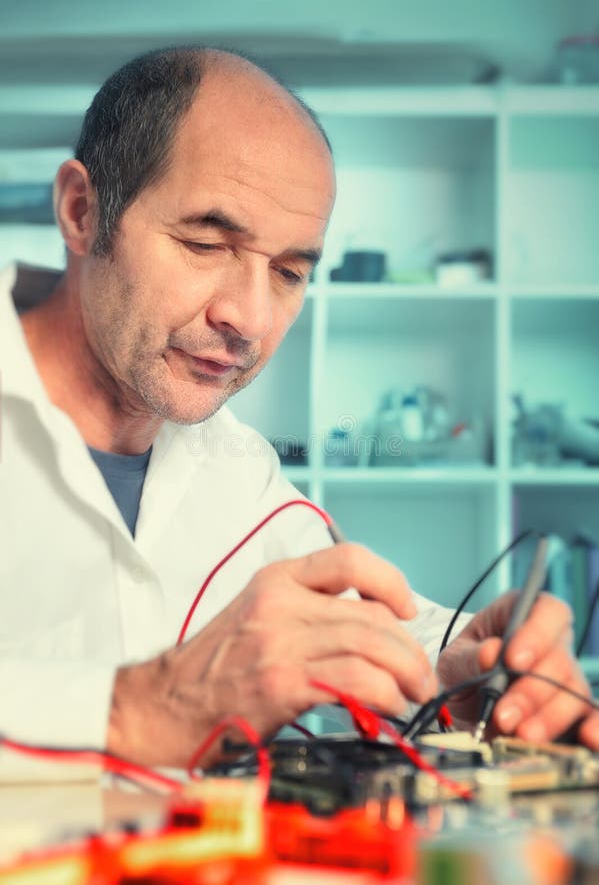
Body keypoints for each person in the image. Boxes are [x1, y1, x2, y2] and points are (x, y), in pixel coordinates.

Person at [0, 46, 596, 777]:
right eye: (205, 243)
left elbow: (363, 616)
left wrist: (462, 668)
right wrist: (135, 712)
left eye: (288, 273)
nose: (249, 318)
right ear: (82, 212)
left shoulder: (237, 468)